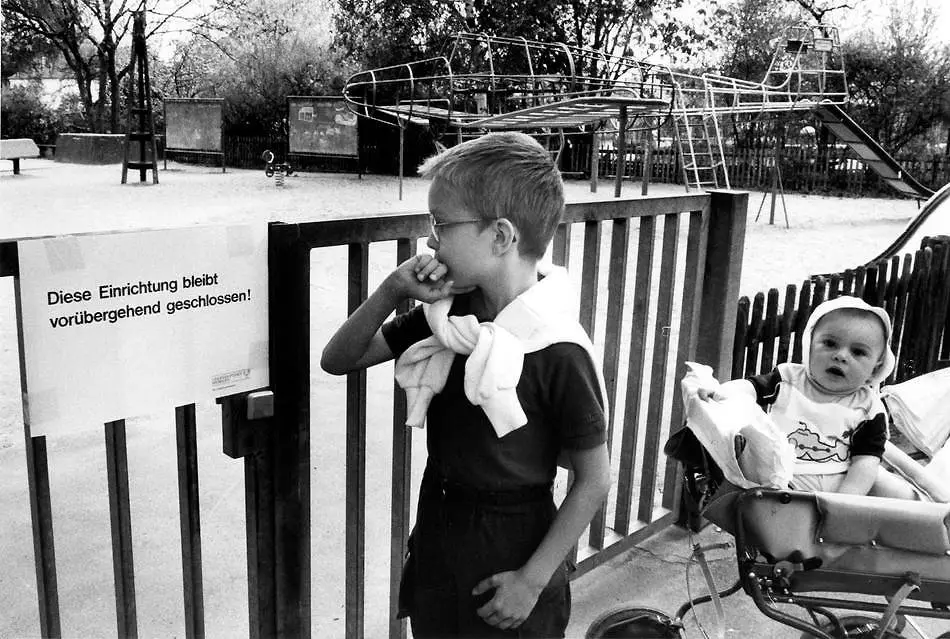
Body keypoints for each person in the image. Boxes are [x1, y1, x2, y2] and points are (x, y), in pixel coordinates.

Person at [320, 131, 611, 638]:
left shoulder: (557, 347)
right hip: (441, 525)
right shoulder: (449, 317)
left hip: (516, 542)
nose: (431, 240)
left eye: (441, 224)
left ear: (500, 236)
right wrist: (393, 289)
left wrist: (532, 581)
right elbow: (338, 359)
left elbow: (593, 479)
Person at [698, 295, 914, 497]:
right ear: (809, 344)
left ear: (876, 368)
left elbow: (865, 462)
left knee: (898, 494)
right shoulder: (787, 380)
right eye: (829, 344)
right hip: (777, 478)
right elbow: (751, 387)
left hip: (837, 483)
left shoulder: (868, 409)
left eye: (858, 352)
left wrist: (844, 502)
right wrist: (724, 392)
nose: (840, 356)